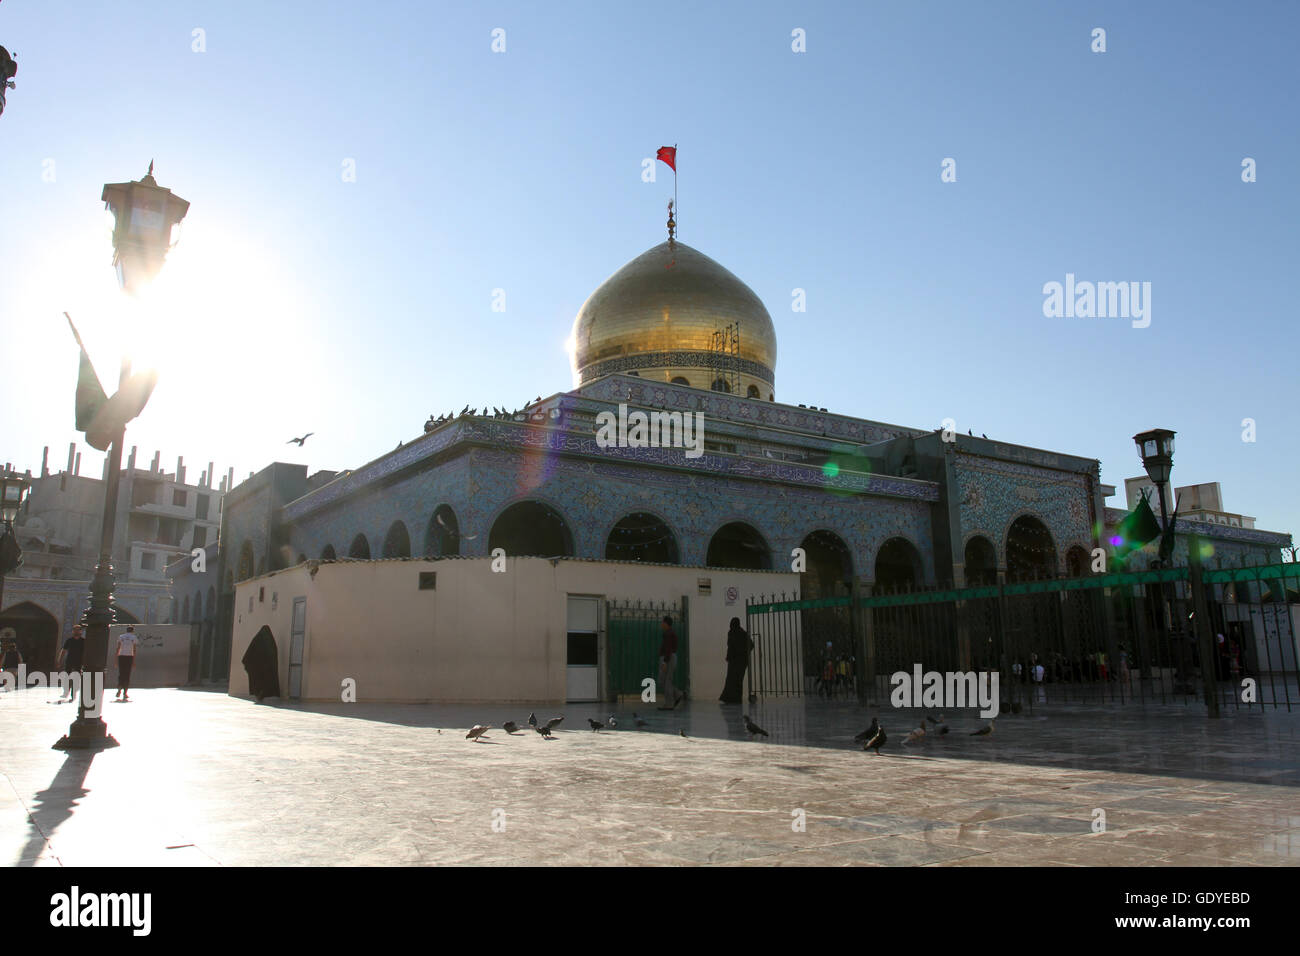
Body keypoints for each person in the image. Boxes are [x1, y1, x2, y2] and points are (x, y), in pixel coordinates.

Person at [719, 617, 752, 704]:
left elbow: (731, 646)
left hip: (735, 661)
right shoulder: (742, 633)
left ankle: (731, 699)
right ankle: (735, 699)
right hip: (740, 661)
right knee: (736, 680)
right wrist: (744, 653)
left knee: (733, 680)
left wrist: (737, 653)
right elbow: (751, 645)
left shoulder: (733, 633)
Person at [658, 615, 684, 710]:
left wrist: (665, 662)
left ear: (666, 624)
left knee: (666, 681)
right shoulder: (669, 633)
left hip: (668, 658)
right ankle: (677, 694)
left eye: (662, 622)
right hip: (669, 657)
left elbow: (668, 649)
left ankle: (669, 704)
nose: (661, 624)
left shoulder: (669, 634)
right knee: (664, 681)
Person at [57, 625, 87, 701]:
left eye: (78, 630)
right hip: (69, 661)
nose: (76, 631)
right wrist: (59, 661)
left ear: (81, 631)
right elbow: (63, 651)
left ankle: (73, 694)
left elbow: (86, 653)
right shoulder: (69, 640)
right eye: (75, 630)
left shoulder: (83, 641)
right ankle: (66, 692)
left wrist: (85, 662)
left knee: (76, 678)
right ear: (73, 631)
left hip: (79, 662)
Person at [115, 625, 140, 701]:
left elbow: (118, 648)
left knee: (121, 673)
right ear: (132, 631)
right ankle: (125, 692)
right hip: (129, 656)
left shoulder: (121, 637)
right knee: (127, 674)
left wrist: (116, 660)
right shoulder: (134, 637)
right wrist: (134, 661)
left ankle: (119, 689)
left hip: (121, 656)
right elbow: (134, 649)